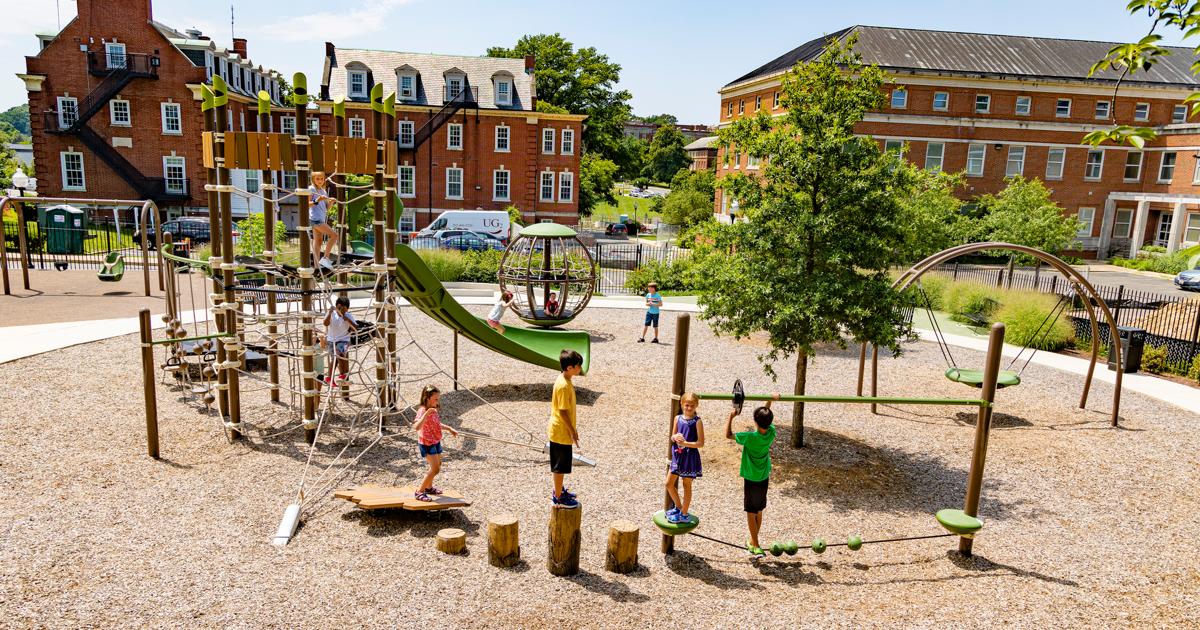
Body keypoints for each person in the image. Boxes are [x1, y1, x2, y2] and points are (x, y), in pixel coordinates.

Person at [725, 393, 779, 556]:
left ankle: (755, 544)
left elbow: (728, 435)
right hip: (763, 476)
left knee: (750, 511)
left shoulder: (749, 437)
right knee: (759, 510)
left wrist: (731, 417)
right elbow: (765, 416)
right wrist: (769, 400)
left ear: (755, 422)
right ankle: (753, 541)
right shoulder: (771, 433)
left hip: (751, 478)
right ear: (769, 422)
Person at [548, 349, 584, 508]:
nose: (580, 369)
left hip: (561, 431)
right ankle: (558, 498)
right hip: (560, 431)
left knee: (561, 465)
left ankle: (559, 490)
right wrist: (572, 430)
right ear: (570, 367)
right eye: (578, 366)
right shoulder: (563, 385)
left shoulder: (565, 378)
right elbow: (562, 411)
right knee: (559, 466)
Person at [412, 385, 458, 502]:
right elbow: (416, 427)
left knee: (438, 465)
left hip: (435, 441)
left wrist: (449, 428)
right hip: (427, 443)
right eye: (436, 398)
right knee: (435, 469)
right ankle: (419, 491)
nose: (438, 401)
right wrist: (426, 413)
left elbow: (436, 424)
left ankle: (428, 487)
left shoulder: (434, 409)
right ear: (428, 398)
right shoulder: (422, 410)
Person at [665, 392, 704, 523]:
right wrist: (675, 438)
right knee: (669, 483)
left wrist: (685, 443)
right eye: (687, 405)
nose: (689, 408)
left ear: (696, 405)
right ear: (682, 404)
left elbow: (701, 443)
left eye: (692, 406)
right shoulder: (677, 418)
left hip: (690, 457)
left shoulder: (697, 422)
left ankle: (684, 513)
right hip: (678, 456)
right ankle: (679, 507)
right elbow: (672, 436)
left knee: (686, 485)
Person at [322, 296, 357, 385]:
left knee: (338, 355)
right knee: (336, 358)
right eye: (342, 308)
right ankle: (339, 375)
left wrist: (347, 320)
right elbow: (325, 323)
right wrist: (329, 313)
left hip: (344, 339)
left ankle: (333, 376)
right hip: (331, 340)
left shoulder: (348, 315)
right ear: (338, 306)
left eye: (346, 309)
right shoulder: (332, 314)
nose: (344, 311)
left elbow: (356, 328)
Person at [308, 171, 339, 270]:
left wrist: (331, 202)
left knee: (318, 242)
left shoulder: (323, 191)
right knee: (334, 235)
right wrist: (318, 200)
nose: (320, 181)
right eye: (317, 179)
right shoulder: (311, 189)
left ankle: (317, 266)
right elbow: (306, 204)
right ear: (313, 179)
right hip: (315, 219)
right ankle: (325, 258)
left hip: (320, 218)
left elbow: (326, 208)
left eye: (322, 179)